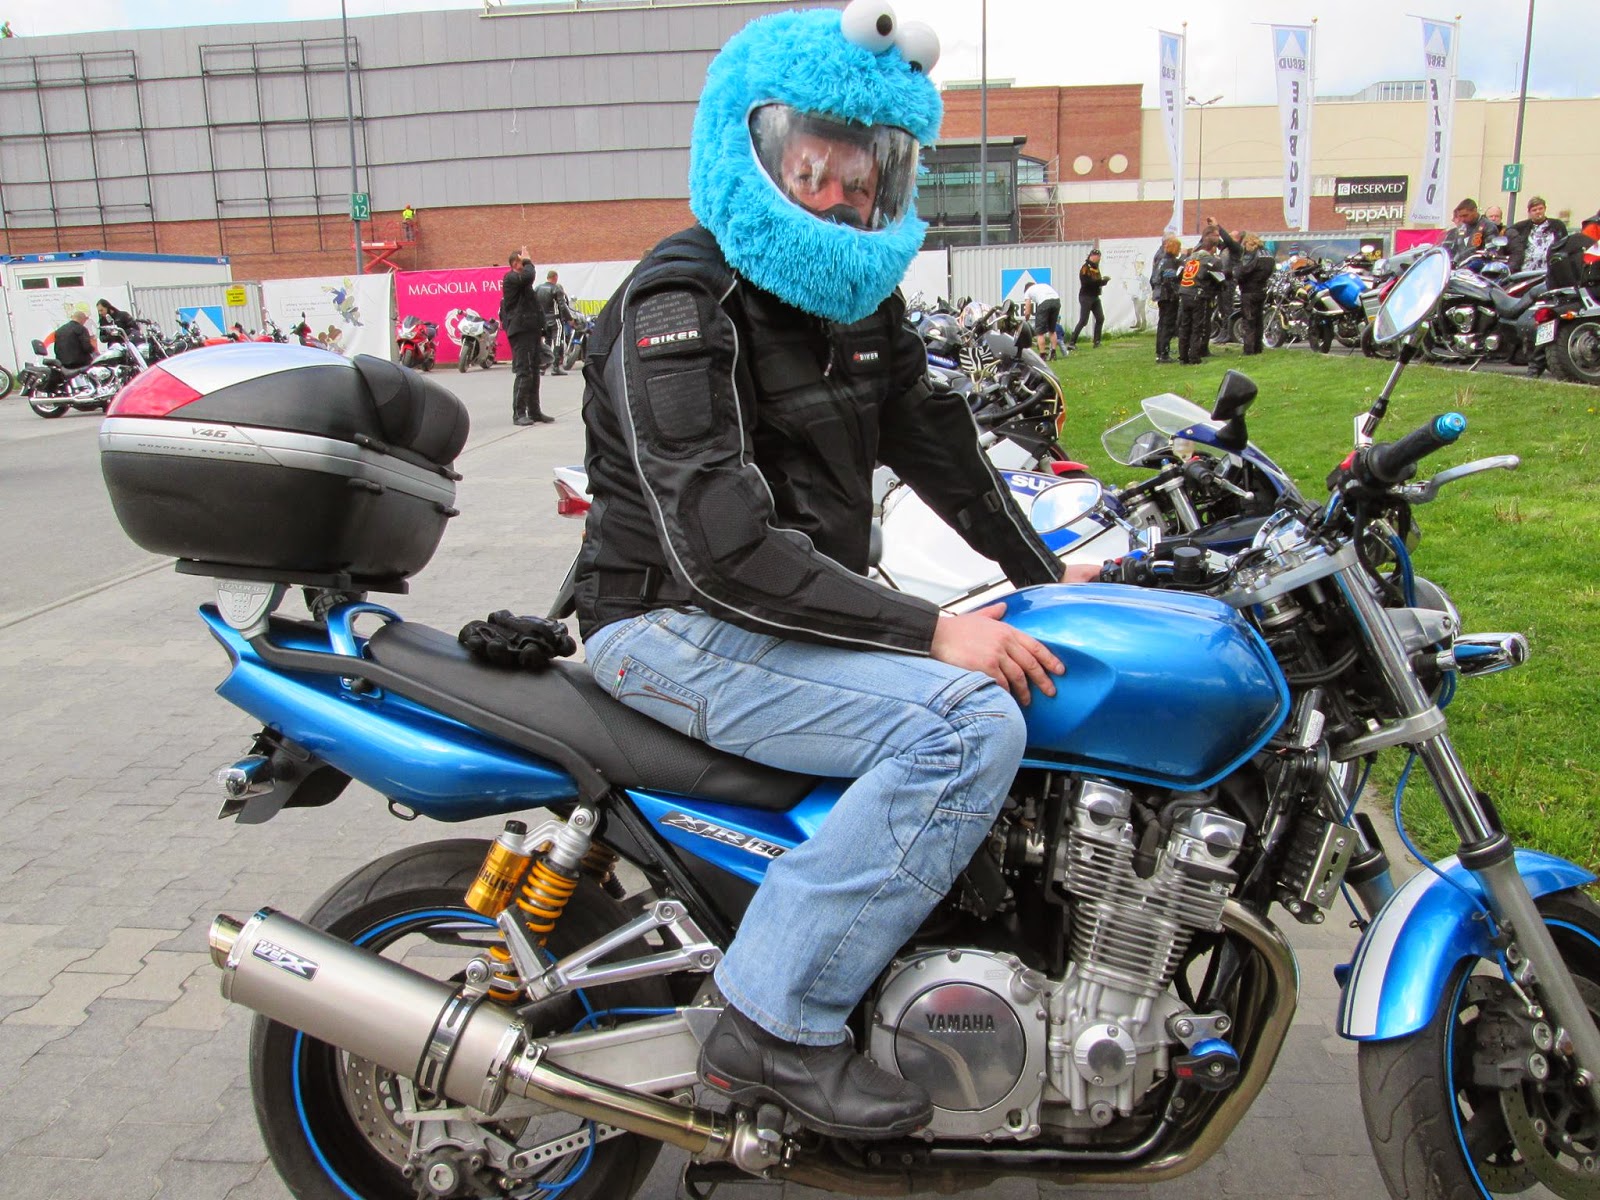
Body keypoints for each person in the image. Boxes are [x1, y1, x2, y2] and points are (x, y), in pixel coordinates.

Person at [572, 6, 1099, 1138]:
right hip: (663, 624)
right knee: (963, 726)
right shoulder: (678, 306)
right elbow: (719, 550)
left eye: (871, 173)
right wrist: (927, 631)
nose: (846, 196)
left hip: (769, 618)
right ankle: (768, 1024)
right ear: (750, 147)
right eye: (818, 165)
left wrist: (1057, 582)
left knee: (1026, 681)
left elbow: (949, 459)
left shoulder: (861, 304)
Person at [501, 247, 551, 425]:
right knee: (524, 371)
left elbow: (535, 306)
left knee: (535, 370)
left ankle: (535, 411)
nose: (526, 266)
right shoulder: (511, 278)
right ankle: (519, 413)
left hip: (532, 329)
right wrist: (528, 261)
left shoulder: (525, 285)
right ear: (515, 263)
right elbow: (528, 276)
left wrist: (543, 327)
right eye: (522, 263)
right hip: (520, 331)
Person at [1213, 223, 1274, 355]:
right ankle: (1258, 348)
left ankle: (1249, 350)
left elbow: (1243, 271)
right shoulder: (1267, 253)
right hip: (1262, 289)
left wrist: (1232, 274)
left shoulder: (1251, 254)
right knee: (1259, 320)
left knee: (1249, 320)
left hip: (1249, 291)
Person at [1176, 238, 1223, 365]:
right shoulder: (1211, 261)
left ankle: (1183, 356)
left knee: (1185, 326)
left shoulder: (1188, 260)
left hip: (1184, 294)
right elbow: (1220, 280)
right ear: (1212, 248)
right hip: (1198, 295)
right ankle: (1194, 357)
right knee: (1197, 327)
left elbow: (1178, 276)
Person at [1508, 196, 1568, 275]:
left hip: (1549, 270)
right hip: (1526, 270)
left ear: (1545, 209)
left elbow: (1565, 244)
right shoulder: (1520, 227)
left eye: (1540, 209)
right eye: (1534, 210)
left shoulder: (1557, 225)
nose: (1538, 212)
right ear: (1529, 212)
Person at [534, 269, 575, 376]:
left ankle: (543, 366)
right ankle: (555, 367)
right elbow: (562, 306)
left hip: (543, 320)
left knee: (547, 342)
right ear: (555, 278)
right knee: (557, 341)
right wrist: (569, 319)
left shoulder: (538, 288)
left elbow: (534, 304)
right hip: (555, 319)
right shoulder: (556, 289)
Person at [1150, 235, 1182, 363]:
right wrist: (1177, 293)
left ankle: (1160, 351)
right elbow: (1170, 281)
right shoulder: (1171, 262)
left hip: (1160, 295)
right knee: (1168, 324)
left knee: (1162, 324)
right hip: (1168, 296)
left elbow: (1152, 279)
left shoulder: (1160, 260)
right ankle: (1164, 353)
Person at [1069, 249, 1108, 348]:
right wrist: (1100, 282)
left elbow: (1097, 282)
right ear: (1091, 256)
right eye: (1096, 256)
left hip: (1095, 297)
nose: (1098, 258)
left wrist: (1103, 282)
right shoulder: (1085, 268)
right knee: (1083, 320)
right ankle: (1072, 342)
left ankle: (1097, 341)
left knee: (1100, 318)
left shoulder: (1096, 268)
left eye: (1099, 257)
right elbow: (1087, 283)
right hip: (1086, 296)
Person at [1443, 198, 1496, 263]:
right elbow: (1453, 250)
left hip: (1478, 268)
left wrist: (1487, 255)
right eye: (1460, 216)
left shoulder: (1488, 226)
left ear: (1475, 211)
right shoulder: (1461, 229)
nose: (1462, 219)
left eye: (1465, 215)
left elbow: (1491, 251)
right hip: (1460, 268)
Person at [1022, 276, 1062, 359]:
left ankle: (1042, 354)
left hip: (1044, 303)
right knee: (1052, 330)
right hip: (1056, 301)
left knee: (1040, 332)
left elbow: (1027, 310)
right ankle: (1053, 353)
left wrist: (1026, 319)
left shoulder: (1028, 291)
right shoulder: (1043, 285)